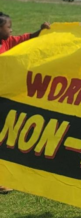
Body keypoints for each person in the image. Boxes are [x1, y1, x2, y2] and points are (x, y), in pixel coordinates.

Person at [0, 12, 50, 193]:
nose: (11, 29)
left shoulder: (6, 42)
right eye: (8, 27)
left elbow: (25, 39)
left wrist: (41, 31)